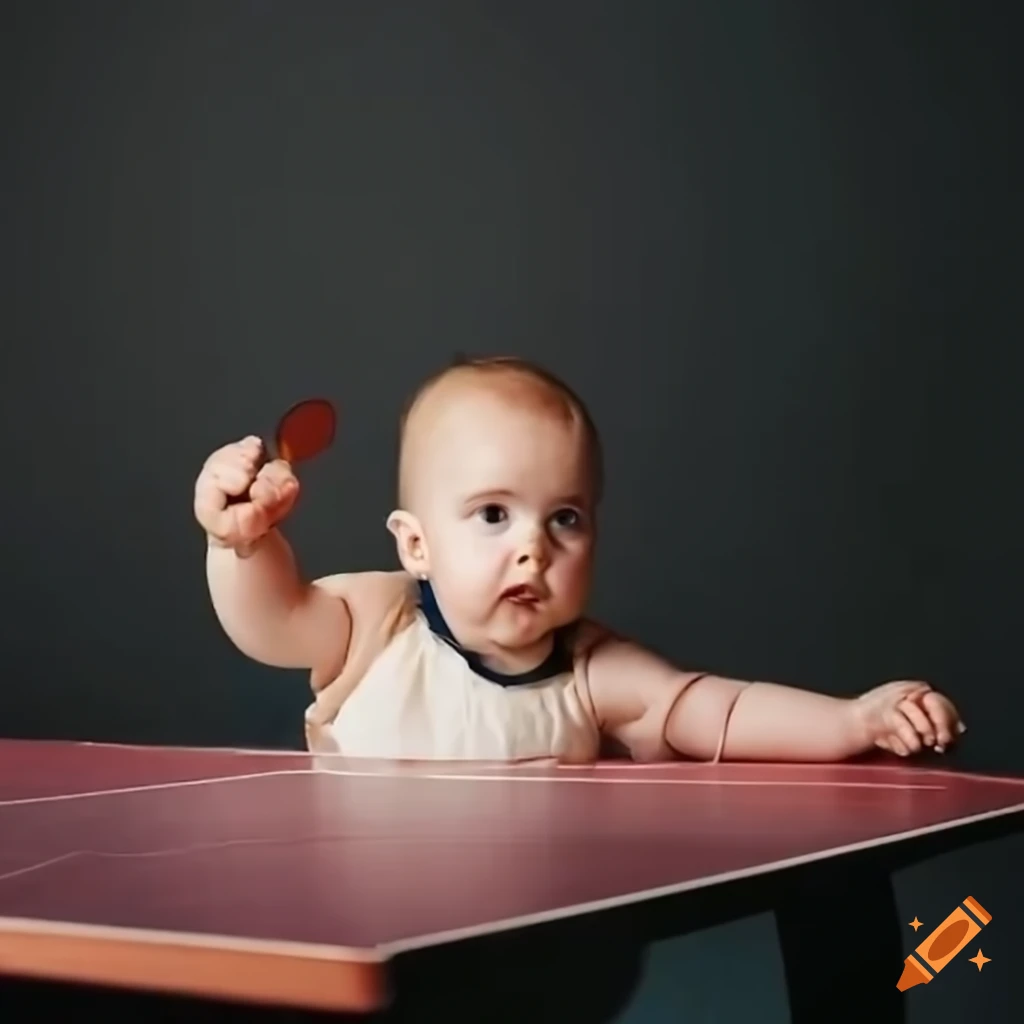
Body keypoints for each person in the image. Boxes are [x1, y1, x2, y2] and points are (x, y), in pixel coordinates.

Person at [194, 356, 965, 763]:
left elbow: (721, 710)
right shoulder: (373, 623)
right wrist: (243, 543)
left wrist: (852, 719)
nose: (534, 545)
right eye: (494, 514)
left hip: (531, 948)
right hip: (366, 923)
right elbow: (274, 620)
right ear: (415, 543)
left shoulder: (595, 672)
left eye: (564, 517)